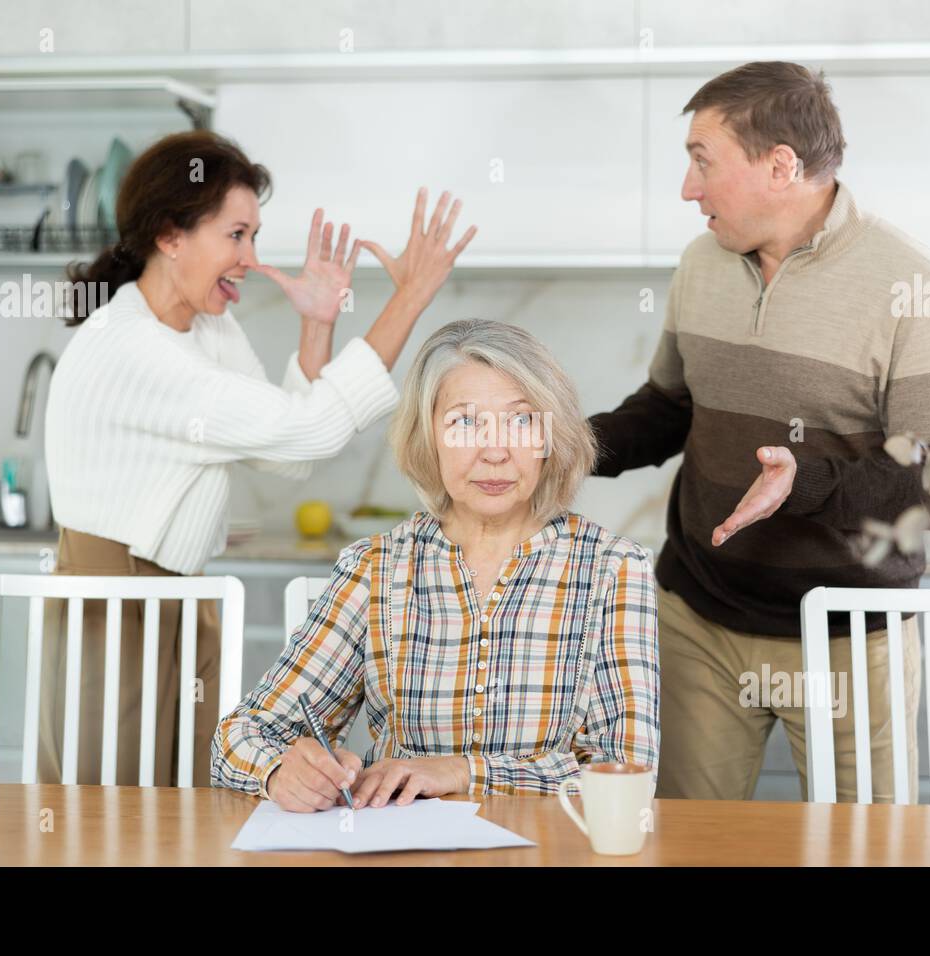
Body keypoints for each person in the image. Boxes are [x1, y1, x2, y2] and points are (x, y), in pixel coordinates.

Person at [589, 61, 930, 803]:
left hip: (849, 633)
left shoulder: (917, 287)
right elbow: (671, 406)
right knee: (688, 852)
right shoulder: (702, 264)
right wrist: (572, 445)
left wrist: (805, 484)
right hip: (699, 620)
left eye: (701, 162)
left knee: (865, 854)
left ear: (780, 166)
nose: (687, 189)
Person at [40, 129, 475, 786]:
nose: (249, 257)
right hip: (112, 596)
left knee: (185, 809)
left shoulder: (207, 328)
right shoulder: (132, 348)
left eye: (253, 236)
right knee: (106, 818)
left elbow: (288, 454)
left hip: (184, 592)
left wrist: (317, 325)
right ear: (170, 235)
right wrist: (409, 295)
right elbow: (311, 431)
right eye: (236, 234)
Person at [211, 319, 660, 809]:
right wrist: (280, 771)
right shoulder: (376, 567)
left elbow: (628, 767)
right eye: (464, 423)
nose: (494, 452)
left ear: (550, 440)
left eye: (521, 421)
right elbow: (241, 737)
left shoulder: (615, 568)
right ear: (428, 437)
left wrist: (463, 772)